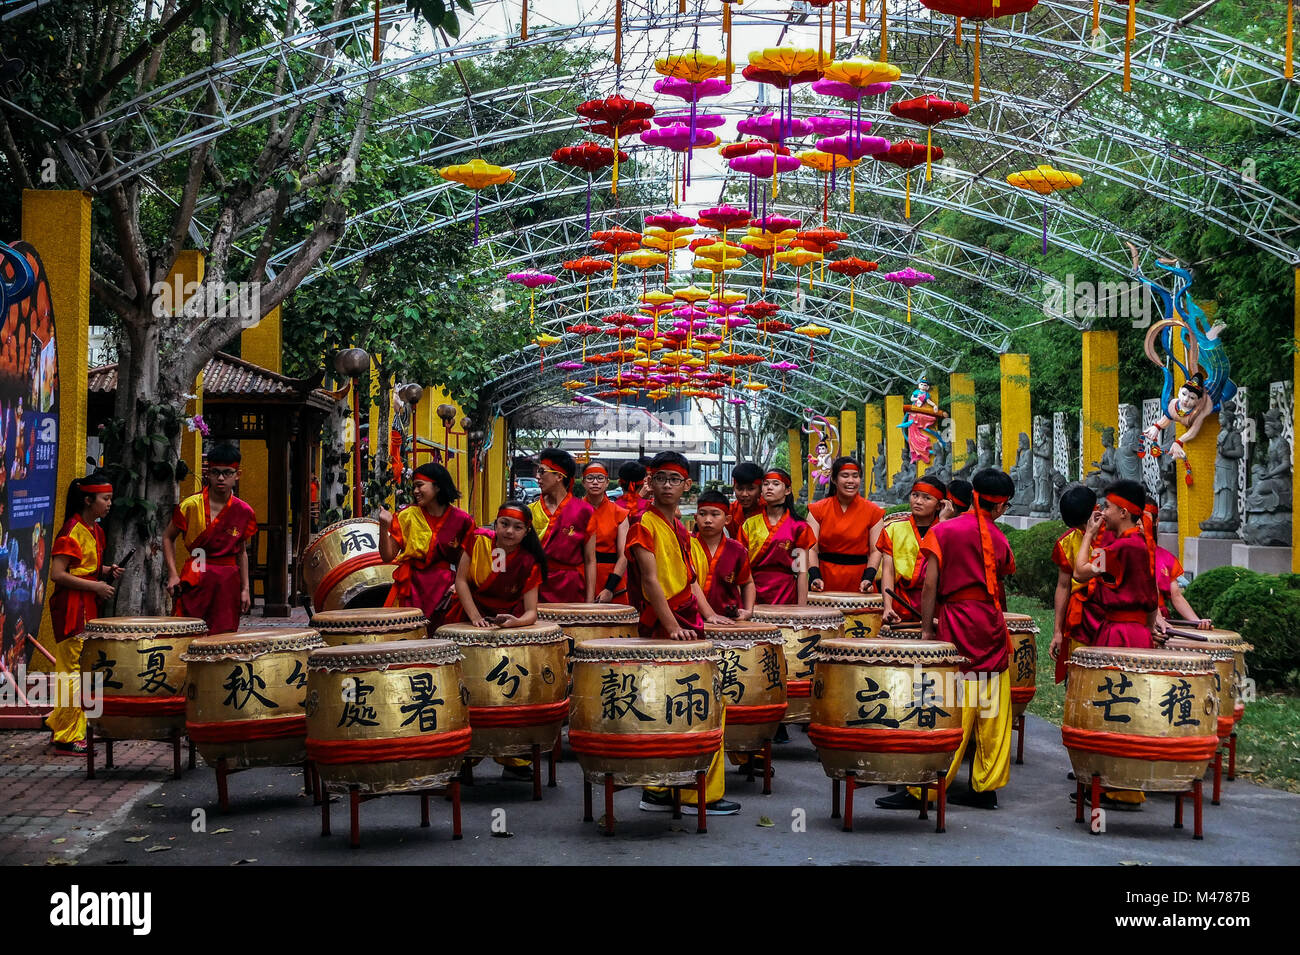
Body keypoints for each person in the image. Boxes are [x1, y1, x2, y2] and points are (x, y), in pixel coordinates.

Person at [878, 468, 1017, 811]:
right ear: (1001, 508)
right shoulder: (1000, 538)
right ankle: (986, 787)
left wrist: (927, 630)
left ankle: (925, 786)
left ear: (971, 495)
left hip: (956, 621)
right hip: (990, 625)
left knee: (951, 704)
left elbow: (930, 585)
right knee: (992, 706)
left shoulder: (944, 531)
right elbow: (1001, 585)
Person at [625, 451, 738, 816]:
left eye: (675, 479)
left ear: (687, 486)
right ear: (650, 482)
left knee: (680, 707)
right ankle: (686, 794)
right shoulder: (644, 523)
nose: (668, 485)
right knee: (676, 707)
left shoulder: (679, 528)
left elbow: (689, 580)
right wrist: (672, 626)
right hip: (663, 625)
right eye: (661, 478)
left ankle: (668, 790)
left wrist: (708, 615)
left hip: (686, 622)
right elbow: (650, 580)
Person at [45, 474, 124, 754]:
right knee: (72, 671)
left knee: (79, 668)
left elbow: (85, 567)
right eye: (105, 499)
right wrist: (96, 585)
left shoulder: (95, 530)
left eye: (110, 498)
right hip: (72, 608)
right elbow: (57, 574)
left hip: (87, 605)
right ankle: (67, 735)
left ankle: (61, 722)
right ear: (88, 500)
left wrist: (106, 571)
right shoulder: (72, 531)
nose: (109, 504)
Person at [163, 444, 257, 633]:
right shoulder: (190, 505)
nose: (221, 478)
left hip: (227, 578)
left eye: (227, 473)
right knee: (187, 632)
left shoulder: (244, 511)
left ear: (238, 475)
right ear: (208, 473)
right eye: (215, 472)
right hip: (198, 569)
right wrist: (173, 575)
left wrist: (245, 589)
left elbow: (242, 552)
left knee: (223, 635)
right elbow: (167, 537)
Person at [377, 462, 476, 630]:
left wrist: (457, 586)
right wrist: (384, 527)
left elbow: (469, 562)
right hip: (412, 587)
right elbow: (387, 556)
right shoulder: (406, 516)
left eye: (419, 485)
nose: (415, 491)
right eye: (414, 487)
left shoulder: (463, 520)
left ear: (437, 486)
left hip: (446, 589)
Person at [447, 501, 546, 627]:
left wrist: (517, 622)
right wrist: (475, 617)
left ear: (527, 531)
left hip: (510, 616)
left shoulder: (529, 562)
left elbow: (531, 612)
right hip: (469, 611)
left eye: (518, 527)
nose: (509, 531)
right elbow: (460, 580)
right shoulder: (478, 540)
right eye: (504, 524)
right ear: (495, 524)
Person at [739, 468, 818, 606]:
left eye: (776, 484)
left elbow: (802, 572)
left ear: (787, 490)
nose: (769, 488)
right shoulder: (749, 525)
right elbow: (741, 569)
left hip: (785, 592)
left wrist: (801, 608)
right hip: (754, 591)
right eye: (766, 484)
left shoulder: (799, 527)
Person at [807, 457, 884, 593]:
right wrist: (815, 576)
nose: (851, 481)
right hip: (824, 580)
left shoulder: (874, 512)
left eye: (855, 476)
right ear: (834, 479)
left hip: (860, 580)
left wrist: (868, 578)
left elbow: (875, 550)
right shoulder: (817, 510)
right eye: (845, 475)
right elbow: (811, 549)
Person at [528, 448, 596, 603]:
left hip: (569, 586)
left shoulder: (584, 511)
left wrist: (590, 601)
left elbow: (590, 559)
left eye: (542, 471)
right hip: (535, 583)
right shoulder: (530, 511)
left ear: (559, 476)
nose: (537, 477)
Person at [879, 477, 949, 625]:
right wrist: (887, 607)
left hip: (937, 604)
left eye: (927, 498)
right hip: (900, 602)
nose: (918, 501)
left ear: (940, 505)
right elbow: (888, 571)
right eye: (915, 495)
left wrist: (943, 522)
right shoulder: (893, 529)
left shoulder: (947, 531)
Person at [1049, 485, 1097, 684]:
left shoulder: (1114, 535)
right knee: (1079, 677)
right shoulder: (1067, 542)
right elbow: (1063, 586)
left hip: (1110, 616)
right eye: (1079, 527)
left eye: (1085, 524)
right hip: (1080, 619)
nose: (1084, 530)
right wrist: (1057, 631)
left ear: (1098, 509)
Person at [693, 490, 755, 620]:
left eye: (715, 514)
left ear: (727, 519)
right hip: (692, 618)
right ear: (695, 517)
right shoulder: (687, 545)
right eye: (702, 514)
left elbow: (747, 583)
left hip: (729, 619)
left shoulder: (737, 549)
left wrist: (748, 611)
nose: (708, 520)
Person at [581, 462, 630, 604]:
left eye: (600, 478)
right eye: (590, 478)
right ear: (583, 482)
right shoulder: (574, 511)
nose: (595, 482)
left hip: (611, 579)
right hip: (581, 577)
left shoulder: (619, 513)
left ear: (607, 482)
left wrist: (609, 588)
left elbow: (623, 556)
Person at [726, 461, 765, 538]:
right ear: (734, 488)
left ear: (761, 489)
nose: (744, 494)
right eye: (739, 489)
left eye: (751, 489)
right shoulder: (729, 511)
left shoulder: (769, 510)